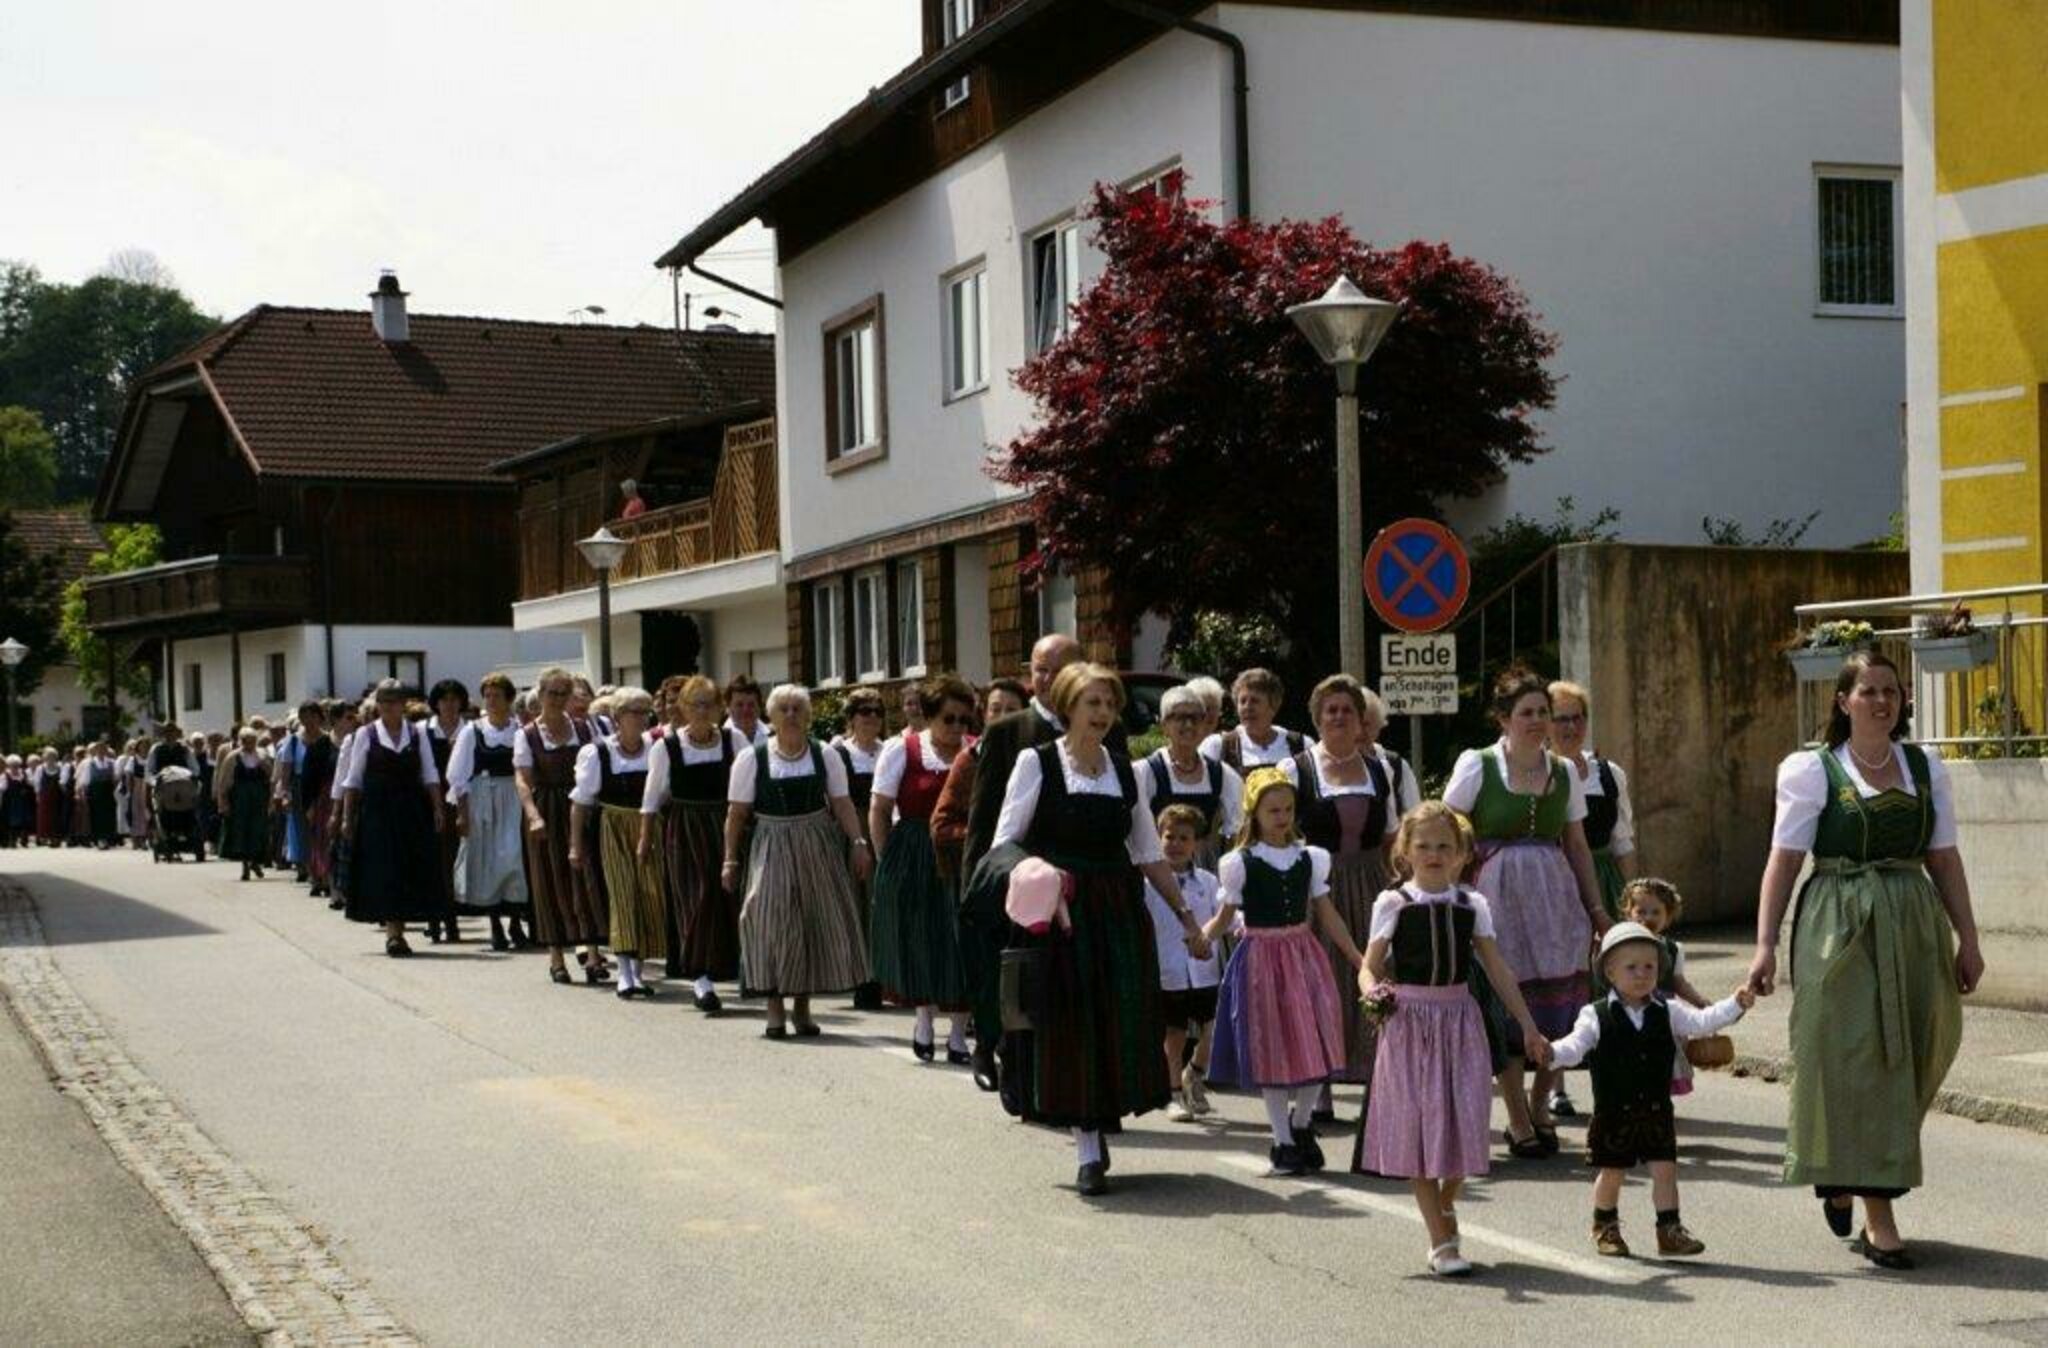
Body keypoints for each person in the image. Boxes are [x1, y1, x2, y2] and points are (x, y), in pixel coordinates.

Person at [1748, 650, 1980, 1270]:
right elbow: (1784, 861)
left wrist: (1970, 938)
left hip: (1912, 918)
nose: (1881, 700)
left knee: (1921, 1048)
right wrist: (1766, 943)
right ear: (1843, 701)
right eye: (1868, 690)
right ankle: (1880, 1211)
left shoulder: (1925, 767)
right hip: (1838, 920)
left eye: (1891, 690)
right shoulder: (1812, 770)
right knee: (1855, 1057)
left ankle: (1849, 1170)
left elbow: (1946, 859)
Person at [993, 662, 1204, 1196]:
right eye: (1094, 704)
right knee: (1073, 1022)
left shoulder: (1124, 769)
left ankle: (1100, 1118)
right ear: (1068, 707)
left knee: (1116, 1019)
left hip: (1116, 909)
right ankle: (1087, 1145)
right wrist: (1036, 872)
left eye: (1110, 705)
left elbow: (1148, 853)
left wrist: (1184, 916)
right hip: (1062, 911)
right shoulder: (1035, 762)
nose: (1104, 714)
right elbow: (1006, 842)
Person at [1356, 801, 1548, 1277]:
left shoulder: (1471, 904)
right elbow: (1369, 965)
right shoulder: (1394, 903)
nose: (1434, 853)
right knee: (1419, 1131)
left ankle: (1445, 1205)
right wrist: (1373, 992)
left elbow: (1498, 968)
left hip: (1460, 1019)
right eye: (1423, 845)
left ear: (1462, 854)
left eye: (1445, 846)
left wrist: (1527, 1025)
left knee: (1465, 1121)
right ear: (1406, 851)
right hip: (1410, 1022)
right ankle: (1441, 1242)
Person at [1442, 665, 1609, 1159]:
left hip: (1555, 899)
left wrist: (1596, 909)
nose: (1538, 721)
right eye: (1527, 713)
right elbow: (1446, 830)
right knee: (1508, 1006)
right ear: (1503, 719)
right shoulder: (1478, 765)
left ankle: (1541, 1106)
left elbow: (1577, 844)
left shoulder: (1563, 772)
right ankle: (1516, 1118)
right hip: (1497, 897)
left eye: (1544, 712)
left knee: (1560, 1004)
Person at [956, 634, 1127, 1093]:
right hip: (1024, 883)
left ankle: (1056, 1080)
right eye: (1038, 669)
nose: (1045, 679)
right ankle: (994, 1049)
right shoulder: (1008, 732)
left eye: (1057, 669)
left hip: (1084, 889)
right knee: (1013, 978)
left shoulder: (1111, 733)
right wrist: (979, 882)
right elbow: (986, 817)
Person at [1548, 921, 1751, 1259]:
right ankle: (1605, 1226)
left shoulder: (1667, 1011)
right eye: (1631, 967)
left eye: (1650, 967)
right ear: (1610, 973)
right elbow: (1574, 1046)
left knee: (1665, 1171)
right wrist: (1551, 1052)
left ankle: (1669, 1231)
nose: (1642, 974)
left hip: (1657, 1111)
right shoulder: (1595, 1015)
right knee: (1612, 1172)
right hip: (1614, 1113)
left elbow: (1704, 1021)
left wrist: (1736, 1003)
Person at [1203, 768, 1361, 1176]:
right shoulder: (1239, 862)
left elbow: (1329, 915)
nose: (1282, 817)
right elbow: (1224, 916)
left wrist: (1360, 960)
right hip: (1261, 959)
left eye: (1288, 809)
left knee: (1315, 1042)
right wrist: (1201, 937)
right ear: (1254, 813)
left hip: (1304, 956)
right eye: (1273, 810)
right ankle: (1282, 1141)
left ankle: (1302, 1122)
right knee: (1273, 1050)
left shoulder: (1309, 858)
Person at [722, 684, 873, 1037]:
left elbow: (842, 803)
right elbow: (737, 813)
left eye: (797, 709)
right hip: (772, 841)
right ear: (771, 717)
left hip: (816, 840)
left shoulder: (825, 754)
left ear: (808, 717)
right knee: (769, 918)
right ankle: (774, 1008)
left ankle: (802, 1009)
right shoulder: (752, 758)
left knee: (810, 920)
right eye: (783, 709)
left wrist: (858, 842)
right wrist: (729, 859)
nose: (790, 715)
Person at [1281, 674, 1400, 1118]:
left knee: (1374, 978)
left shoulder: (1379, 769)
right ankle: (1320, 1087)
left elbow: (1391, 837)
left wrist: (1400, 886)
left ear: (1361, 721)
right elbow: (1280, 831)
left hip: (1371, 884)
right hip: (1317, 889)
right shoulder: (1296, 769)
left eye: (1346, 710)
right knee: (1321, 983)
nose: (1338, 716)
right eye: (1330, 710)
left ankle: (1375, 1077)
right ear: (1316, 718)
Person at [868, 674, 976, 1062]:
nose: (957, 728)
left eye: (964, 720)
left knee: (961, 942)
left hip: (961, 855)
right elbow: (879, 809)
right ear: (930, 716)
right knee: (921, 939)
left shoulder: (975, 753)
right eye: (949, 719)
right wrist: (886, 863)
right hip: (913, 853)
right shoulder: (903, 750)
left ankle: (960, 1035)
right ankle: (924, 1022)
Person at [640, 675, 746, 1013]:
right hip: (685, 830)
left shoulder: (734, 739)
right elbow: (652, 796)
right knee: (696, 899)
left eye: (709, 704)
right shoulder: (667, 746)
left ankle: (736, 968)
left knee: (731, 899)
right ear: (683, 708)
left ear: (719, 708)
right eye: (695, 704)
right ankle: (701, 979)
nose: (702, 711)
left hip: (727, 825)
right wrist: (645, 838)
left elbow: (751, 780)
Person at [570, 687, 668, 999]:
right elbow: (581, 802)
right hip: (612, 827)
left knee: (648, 896)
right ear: (617, 718)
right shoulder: (598, 752)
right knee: (622, 894)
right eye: (634, 712)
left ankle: (638, 972)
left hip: (650, 826)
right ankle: (624, 973)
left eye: (645, 712)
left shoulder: (657, 747)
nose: (641, 718)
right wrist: (575, 845)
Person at [340, 680, 450, 957]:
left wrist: (437, 808)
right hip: (377, 810)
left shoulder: (416, 734)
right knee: (384, 868)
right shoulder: (366, 734)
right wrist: (346, 817)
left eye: (394, 701)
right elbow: (353, 780)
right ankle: (393, 932)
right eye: (384, 701)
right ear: (378, 705)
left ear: (403, 704)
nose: (389, 707)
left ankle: (400, 927)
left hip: (411, 809)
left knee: (407, 867)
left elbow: (430, 774)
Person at [516, 668, 611, 986]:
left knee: (586, 878)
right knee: (549, 879)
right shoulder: (527, 734)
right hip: (546, 809)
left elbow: (600, 767)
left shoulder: (585, 730)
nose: (557, 700)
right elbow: (523, 780)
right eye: (552, 693)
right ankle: (556, 956)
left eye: (562, 693)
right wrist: (532, 815)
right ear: (540, 695)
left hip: (580, 808)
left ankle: (593, 953)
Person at [1148, 804, 1227, 1121]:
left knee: (1215, 1028)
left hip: (1204, 970)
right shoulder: (1149, 884)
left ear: (1197, 843)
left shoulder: (1207, 882)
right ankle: (1173, 1095)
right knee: (1174, 1034)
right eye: (1169, 837)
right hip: (1169, 970)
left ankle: (1193, 1072)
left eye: (1184, 838)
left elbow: (1226, 914)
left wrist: (1244, 926)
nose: (1176, 844)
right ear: (1158, 838)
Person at [446, 673, 532, 951]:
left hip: (513, 797)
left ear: (509, 699)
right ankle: (495, 925)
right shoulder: (474, 731)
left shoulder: (520, 730)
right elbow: (457, 775)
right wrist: (462, 813)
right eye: (487, 695)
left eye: (497, 695)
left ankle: (516, 922)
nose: (491, 701)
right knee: (488, 862)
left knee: (513, 858)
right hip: (483, 796)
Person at [1613, 877, 1710, 1096]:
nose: (1648, 917)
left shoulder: (1673, 949)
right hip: (1630, 1013)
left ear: (1668, 916)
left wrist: (1700, 1002)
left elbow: (1679, 982)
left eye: (1656, 912)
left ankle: (1658, 1102)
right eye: (1641, 911)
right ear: (1629, 914)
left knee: (1664, 1059)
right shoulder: (1619, 946)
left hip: (1663, 1015)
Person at [1143, 686, 1244, 872]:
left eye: (1196, 718)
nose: (1189, 725)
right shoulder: (1146, 772)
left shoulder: (1222, 773)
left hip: (1205, 871)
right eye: (1180, 717)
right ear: (1164, 725)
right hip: (1156, 871)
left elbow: (1237, 831)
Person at [834, 686, 889, 1011]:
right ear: (851, 718)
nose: (871, 718)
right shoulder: (839, 752)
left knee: (882, 905)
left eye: (877, 712)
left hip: (885, 830)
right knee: (857, 905)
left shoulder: (889, 750)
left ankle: (885, 975)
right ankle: (862, 978)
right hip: (852, 832)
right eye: (864, 712)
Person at [422, 680, 471, 943]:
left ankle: (454, 917)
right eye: (444, 699)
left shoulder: (471, 730)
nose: (450, 704)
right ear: (436, 703)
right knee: (435, 862)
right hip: (432, 802)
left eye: (454, 699)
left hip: (464, 802)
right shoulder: (423, 731)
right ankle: (437, 920)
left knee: (457, 861)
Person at [1200, 668, 1310, 777]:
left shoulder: (1301, 746)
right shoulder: (1218, 746)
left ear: (1273, 706)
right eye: (1242, 701)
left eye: (1255, 701)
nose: (1247, 707)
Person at [217, 727, 274, 881]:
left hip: (259, 799)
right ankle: (245, 866)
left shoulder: (262, 755)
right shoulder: (233, 757)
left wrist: (265, 766)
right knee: (241, 832)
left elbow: (272, 778)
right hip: (240, 799)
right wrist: (223, 802)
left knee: (257, 831)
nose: (249, 744)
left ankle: (254, 861)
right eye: (246, 741)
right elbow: (224, 782)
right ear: (241, 741)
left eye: (252, 741)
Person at [294, 704, 338, 897]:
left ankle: (327, 879)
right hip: (318, 797)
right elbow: (307, 779)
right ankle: (316, 877)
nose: (308, 720)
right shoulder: (312, 746)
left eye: (312, 715)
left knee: (328, 839)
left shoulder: (332, 742)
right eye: (304, 716)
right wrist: (308, 804)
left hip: (333, 796)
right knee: (315, 839)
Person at [1359, 686, 1422, 819]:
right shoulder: (1325, 763)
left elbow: (1415, 818)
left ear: (1378, 726)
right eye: (1354, 723)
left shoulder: (1396, 765)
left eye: (1365, 724)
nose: (1359, 731)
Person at [84, 741, 119, 848]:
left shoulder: (111, 762)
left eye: (103, 749)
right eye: (99, 749)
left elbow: (116, 778)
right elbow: (86, 780)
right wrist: (86, 793)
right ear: (95, 751)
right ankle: (99, 838)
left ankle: (109, 838)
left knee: (109, 815)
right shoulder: (90, 763)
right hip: (95, 792)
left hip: (108, 791)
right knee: (97, 816)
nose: (101, 751)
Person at [722, 674, 769, 747]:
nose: (746, 710)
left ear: (759, 707)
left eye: (751, 705)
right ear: (728, 707)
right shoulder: (720, 741)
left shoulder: (773, 736)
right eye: (739, 705)